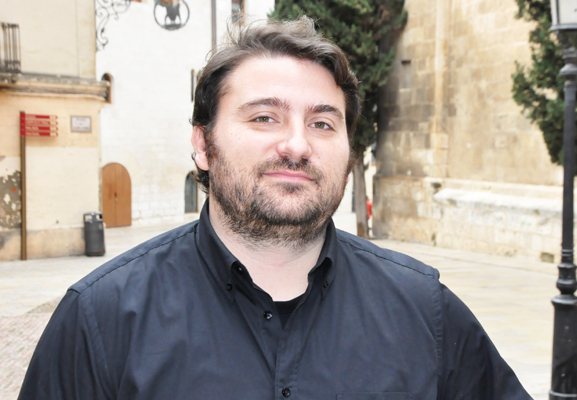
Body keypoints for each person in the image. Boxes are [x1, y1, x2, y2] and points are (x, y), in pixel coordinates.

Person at [19, 18, 531, 400]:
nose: (297, 145)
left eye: (323, 123)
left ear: (349, 154)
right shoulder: (100, 319)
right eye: (265, 117)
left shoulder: (426, 311)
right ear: (203, 144)